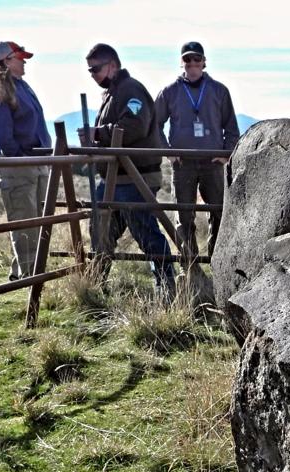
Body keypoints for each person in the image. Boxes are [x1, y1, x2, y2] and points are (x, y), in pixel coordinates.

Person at [79, 43, 175, 298]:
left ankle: (167, 289)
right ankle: (96, 286)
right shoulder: (114, 93)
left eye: (95, 69)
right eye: (90, 70)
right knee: (102, 231)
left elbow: (134, 126)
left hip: (134, 176)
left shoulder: (130, 90)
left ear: (112, 65)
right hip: (117, 177)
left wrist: (98, 133)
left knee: (144, 231)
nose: (93, 74)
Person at [155, 41, 239, 263]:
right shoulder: (169, 92)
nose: (192, 63)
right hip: (183, 164)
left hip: (213, 163)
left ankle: (218, 262)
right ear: (181, 62)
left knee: (220, 212)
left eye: (196, 59)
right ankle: (190, 265)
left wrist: (225, 154)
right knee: (183, 215)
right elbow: (154, 124)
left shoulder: (219, 91)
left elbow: (231, 128)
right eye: (187, 59)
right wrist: (168, 152)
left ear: (204, 62)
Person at [0, 41, 51, 281]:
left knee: (37, 218)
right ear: (7, 61)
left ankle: (23, 272)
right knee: (25, 222)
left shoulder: (20, 85)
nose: (24, 61)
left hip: (34, 161)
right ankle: (31, 276)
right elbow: (1, 133)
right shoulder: (1, 88)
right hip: (19, 164)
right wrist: (19, 157)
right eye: (20, 57)